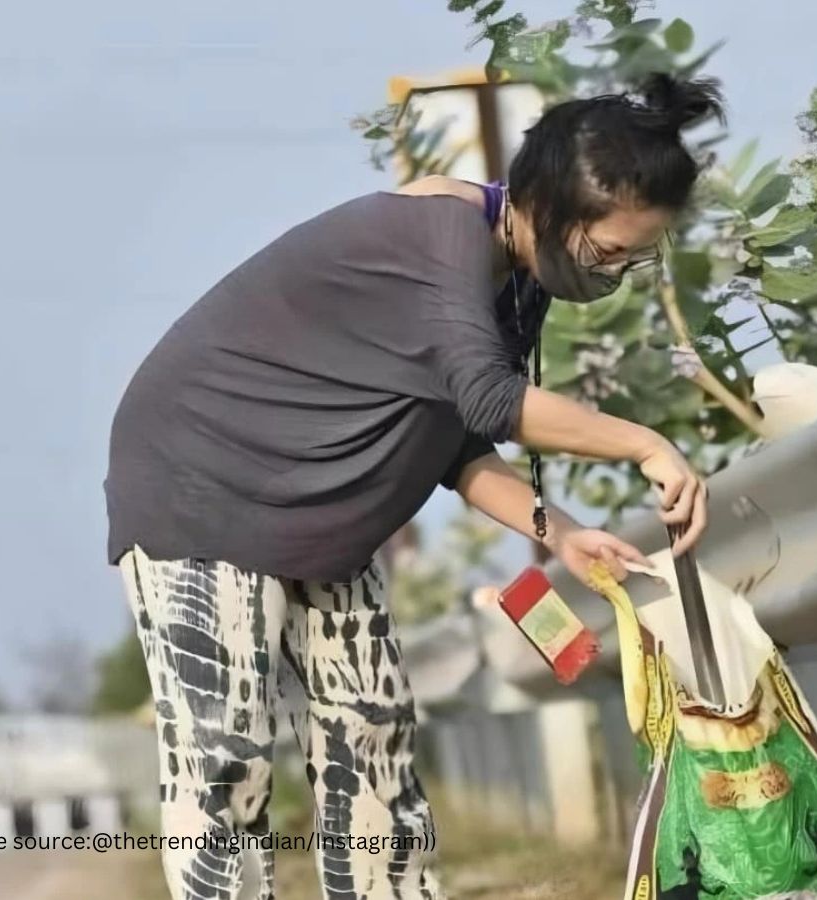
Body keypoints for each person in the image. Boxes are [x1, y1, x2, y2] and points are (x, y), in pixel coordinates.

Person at [104, 73, 722, 900]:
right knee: (227, 757)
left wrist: (561, 532)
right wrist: (645, 444)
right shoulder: (441, 241)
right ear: (542, 203)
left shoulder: (514, 275)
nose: (615, 269)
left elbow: (454, 442)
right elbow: (493, 402)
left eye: (633, 256)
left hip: (324, 511)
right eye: (607, 251)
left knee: (374, 741)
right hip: (203, 485)